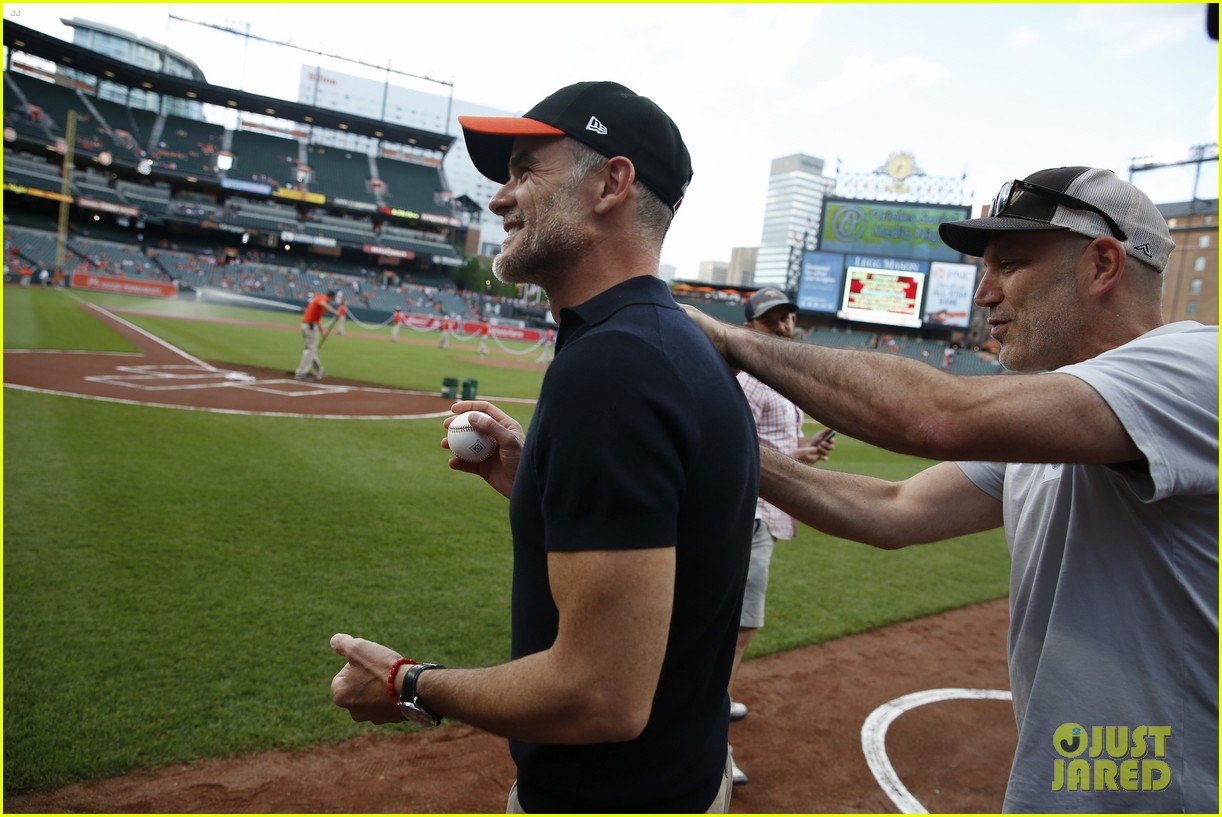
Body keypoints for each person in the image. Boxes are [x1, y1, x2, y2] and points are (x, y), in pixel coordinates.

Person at [683, 166, 1218, 813]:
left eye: (1009, 264)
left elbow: (938, 416)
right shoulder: (1051, 426)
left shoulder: (1196, 369)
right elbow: (892, 509)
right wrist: (713, 439)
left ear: (1103, 265)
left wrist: (728, 340)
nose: (983, 294)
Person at [329, 80, 759, 813]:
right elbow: (671, 538)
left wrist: (407, 683)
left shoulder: (613, 366)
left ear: (611, 184)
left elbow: (601, 695)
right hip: (677, 780)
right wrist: (540, 481)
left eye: (526, 171)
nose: (499, 199)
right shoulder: (668, 343)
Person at [726, 287, 836, 786]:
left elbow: (770, 446)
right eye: (772, 317)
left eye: (788, 313)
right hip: (745, 515)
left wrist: (801, 451)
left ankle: (714, 705)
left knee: (732, 628)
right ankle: (707, 738)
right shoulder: (751, 378)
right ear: (752, 325)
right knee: (734, 632)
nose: (785, 321)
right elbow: (736, 449)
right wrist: (798, 460)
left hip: (759, 513)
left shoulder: (774, 376)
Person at [294, 289, 338, 381]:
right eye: (332, 299)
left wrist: (323, 333)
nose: (331, 301)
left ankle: (319, 371)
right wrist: (334, 312)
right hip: (309, 326)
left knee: (313, 350)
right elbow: (323, 303)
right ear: (330, 297)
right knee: (310, 350)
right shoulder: (322, 298)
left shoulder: (321, 305)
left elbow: (318, 320)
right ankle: (301, 373)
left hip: (311, 326)